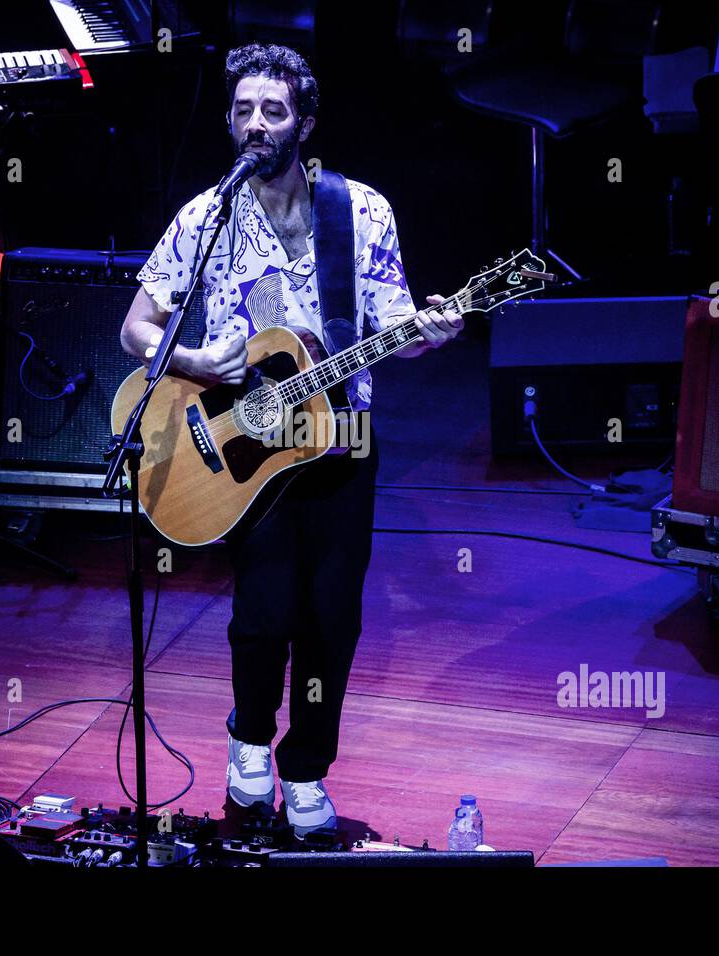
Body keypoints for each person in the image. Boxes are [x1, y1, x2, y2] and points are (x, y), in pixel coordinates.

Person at [120, 43, 463, 837]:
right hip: (244, 448)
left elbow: (391, 330)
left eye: (272, 111)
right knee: (263, 612)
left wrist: (432, 332)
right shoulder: (203, 218)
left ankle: (304, 769)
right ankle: (248, 744)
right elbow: (137, 326)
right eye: (242, 110)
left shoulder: (362, 211)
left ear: (304, 122)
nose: (255, 125)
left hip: (341, 438)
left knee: (332, 618)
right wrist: (195, 358)